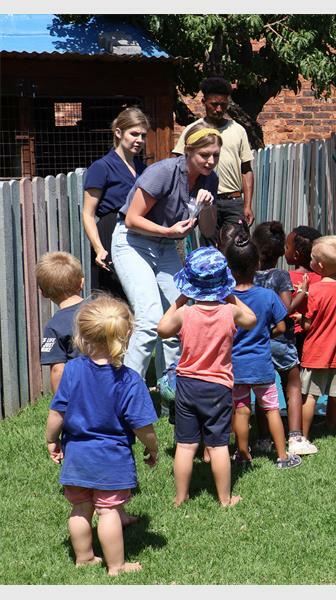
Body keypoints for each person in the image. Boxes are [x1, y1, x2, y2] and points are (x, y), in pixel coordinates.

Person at [45, 295, 159, 576]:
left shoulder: (72, 370)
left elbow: (57, 412)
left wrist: (51, 439)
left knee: (80, 508)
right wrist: (153, 448)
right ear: (126, 337)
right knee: (108, 512)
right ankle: (117, 566)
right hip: (111, 459)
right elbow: (142, 426)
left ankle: (84, 557)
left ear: (82, 335)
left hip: (77, 457)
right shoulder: (129, 380)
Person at [111, 122, 220, 381]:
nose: (210, 161)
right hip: (133, 242)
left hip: (166, 245)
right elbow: (132, 219)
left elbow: (207, 229)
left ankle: (171, 387)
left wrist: (207, 207)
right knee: (149, 320)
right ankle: (129, 391)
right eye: (204, 155)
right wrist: (168, 231)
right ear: (188, 151)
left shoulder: (210, 179)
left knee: (178, 318)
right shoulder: (162, 172)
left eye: (215, 155)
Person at [156, 246, 257, 506]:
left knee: (185, 445)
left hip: (187, 384)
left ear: (190, 285)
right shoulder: (230, 312)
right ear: (223, 282)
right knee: (218, 445)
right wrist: (230, 295)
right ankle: (224, 499)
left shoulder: (185, 314)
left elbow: (162, 329)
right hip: (218, 387)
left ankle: (180, 497)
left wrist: (180, 299)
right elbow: (252, 319)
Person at [223, 226, 301, 469]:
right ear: (257, 264)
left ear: (229, 268)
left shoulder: (226, 298)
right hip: (262, 365)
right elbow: (282, 326)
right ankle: (283, 456)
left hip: (236, 366)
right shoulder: (267, 296)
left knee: (241, 410)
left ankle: (242, 455)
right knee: (271, 409)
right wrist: (266, 334)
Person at [252, 221, 317, 456]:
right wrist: (303, 292)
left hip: (258, 342)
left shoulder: (249, 276)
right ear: (281, 251)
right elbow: (286, 307)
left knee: (263, 390)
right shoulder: (280, 275)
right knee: (293, 385)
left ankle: (263, 438)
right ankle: (296, 437)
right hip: (282, 341)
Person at [173, 76, 255, 244]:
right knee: (208, 250)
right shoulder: (193, 130)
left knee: (235, 247)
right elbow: (178, 166)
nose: (219, 109)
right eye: (214, 104)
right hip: (205, 201)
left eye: (223, 105)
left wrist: (247, 205)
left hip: (233, 201)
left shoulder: (238, 130)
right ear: (204, 102)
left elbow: (246, 169)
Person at [298, 236, 336, 448]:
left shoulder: (315, 290)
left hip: (316, 353)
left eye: (312, 259)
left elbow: (308, 325)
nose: (310, 262)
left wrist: (301, 309)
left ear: (320, 266)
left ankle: (303, 437)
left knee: (309, 397)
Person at [82, 107, 149, 299]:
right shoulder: (101, 167)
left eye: (143, 135)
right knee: (113, 300)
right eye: (134, 134)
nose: (140, 140)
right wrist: (99, 248)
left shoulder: (143, 169)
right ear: (118, 133)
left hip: (139, 235)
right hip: (109, 234)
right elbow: (88, 214)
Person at [36, 252, 87, 393]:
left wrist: (59, 402)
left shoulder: (54, 327)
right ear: (81, 283)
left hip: (79, 392)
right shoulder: (102, 308)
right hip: (114, 382)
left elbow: (58, 370)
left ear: (43, 292)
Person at [285, 226, 323, 363]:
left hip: (291, 337)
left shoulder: (286, 278)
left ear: (295, 255)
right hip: (316, 336)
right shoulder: (322, 279)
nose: (284, 250)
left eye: (287, 247)